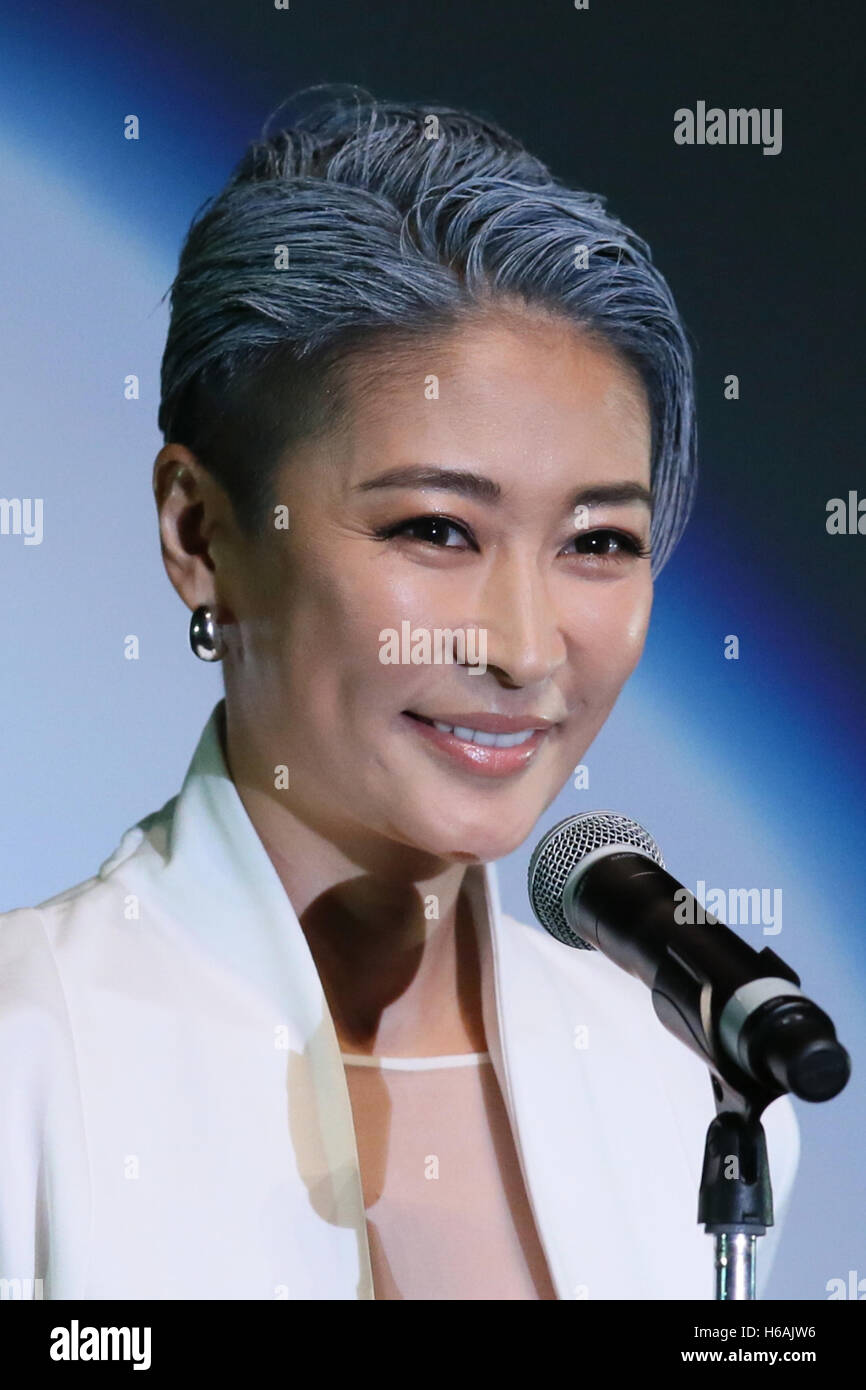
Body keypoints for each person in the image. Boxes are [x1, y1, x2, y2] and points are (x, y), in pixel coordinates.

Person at [0, 84, 798, 1300]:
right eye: (435, 528)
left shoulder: (682, 1084)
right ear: (200, 531)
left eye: (596, 541)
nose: (526, 650)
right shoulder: (28, 1065)